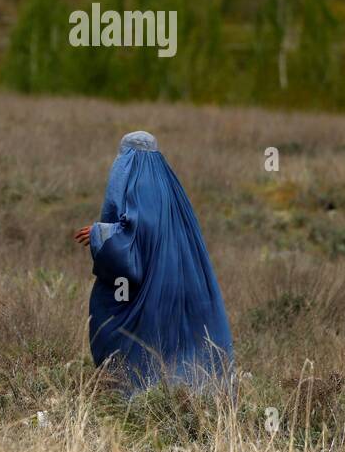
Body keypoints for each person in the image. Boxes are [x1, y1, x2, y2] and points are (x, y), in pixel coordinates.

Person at [74, 130, 233, 394]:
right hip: (183, 280)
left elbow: (136, 237)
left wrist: (99, 234)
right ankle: (189, 395)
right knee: (179, 343)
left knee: (139, 339)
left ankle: (138, 393)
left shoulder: (138, 184)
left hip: (155, 286)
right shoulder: (168, 185)